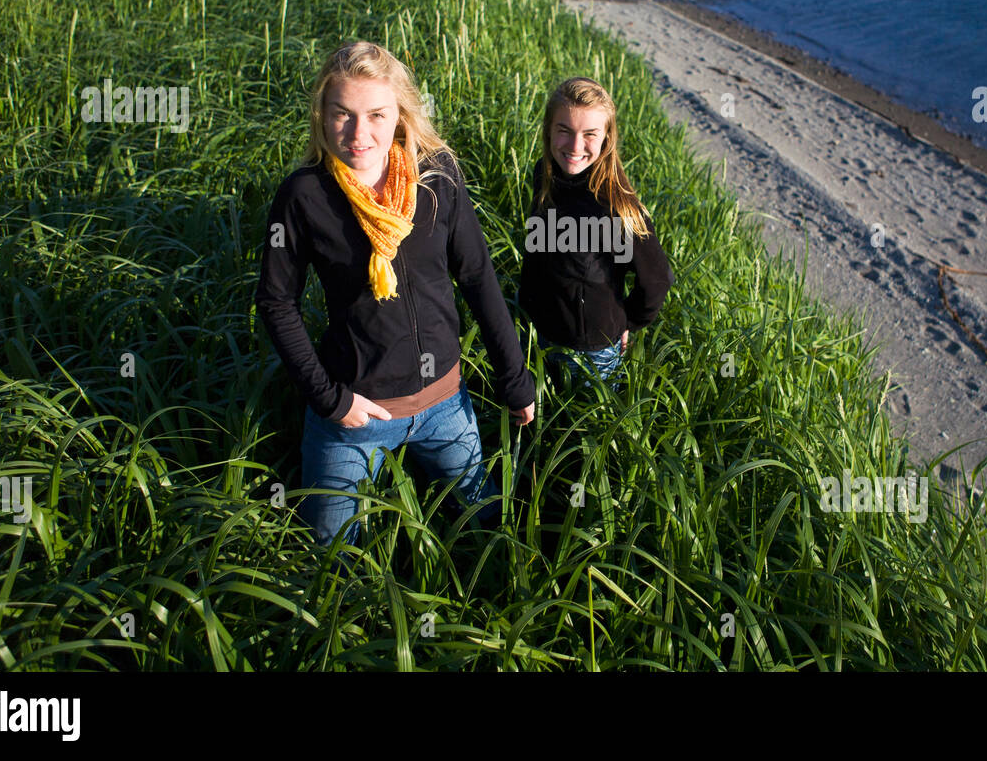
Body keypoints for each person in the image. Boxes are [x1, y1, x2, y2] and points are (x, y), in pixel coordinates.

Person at [254, 41, 535, 553]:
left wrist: (515, 381)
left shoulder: (437, 178)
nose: (359, 135)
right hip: (355, 414)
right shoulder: (304, 195)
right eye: (343, 114)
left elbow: (477, 277)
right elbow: (276, 303)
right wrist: (330, 400)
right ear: (322, 114)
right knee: (330, 558)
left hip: (445, 404)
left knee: (490, 535)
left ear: (400, 112)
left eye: (377, 115)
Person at [518, 77, 674, 390]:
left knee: (583, 431)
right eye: (564, 130)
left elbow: (657, 278)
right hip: (538, 330)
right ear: (548, 129)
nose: (575, 147)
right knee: (544, 425)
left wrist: (628, 323)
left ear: (606, 137)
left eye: (590, 134)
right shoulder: (544, 175)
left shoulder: (615, 202)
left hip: (592, 349)